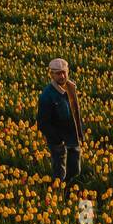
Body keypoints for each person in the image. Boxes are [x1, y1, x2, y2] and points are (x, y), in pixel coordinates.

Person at [36, 58, 84, 186]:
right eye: (58, 73)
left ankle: (68, 189)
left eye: (64, 72)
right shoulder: (47, 95)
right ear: (52, 74)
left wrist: (80, 133)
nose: (62, 76)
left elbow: (75, 111)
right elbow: (42, 123)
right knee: (60, 172)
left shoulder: (71, 87)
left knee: (75, 169)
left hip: (73, 137)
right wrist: (57, 139)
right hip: (58, 141)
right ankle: (59, 193)